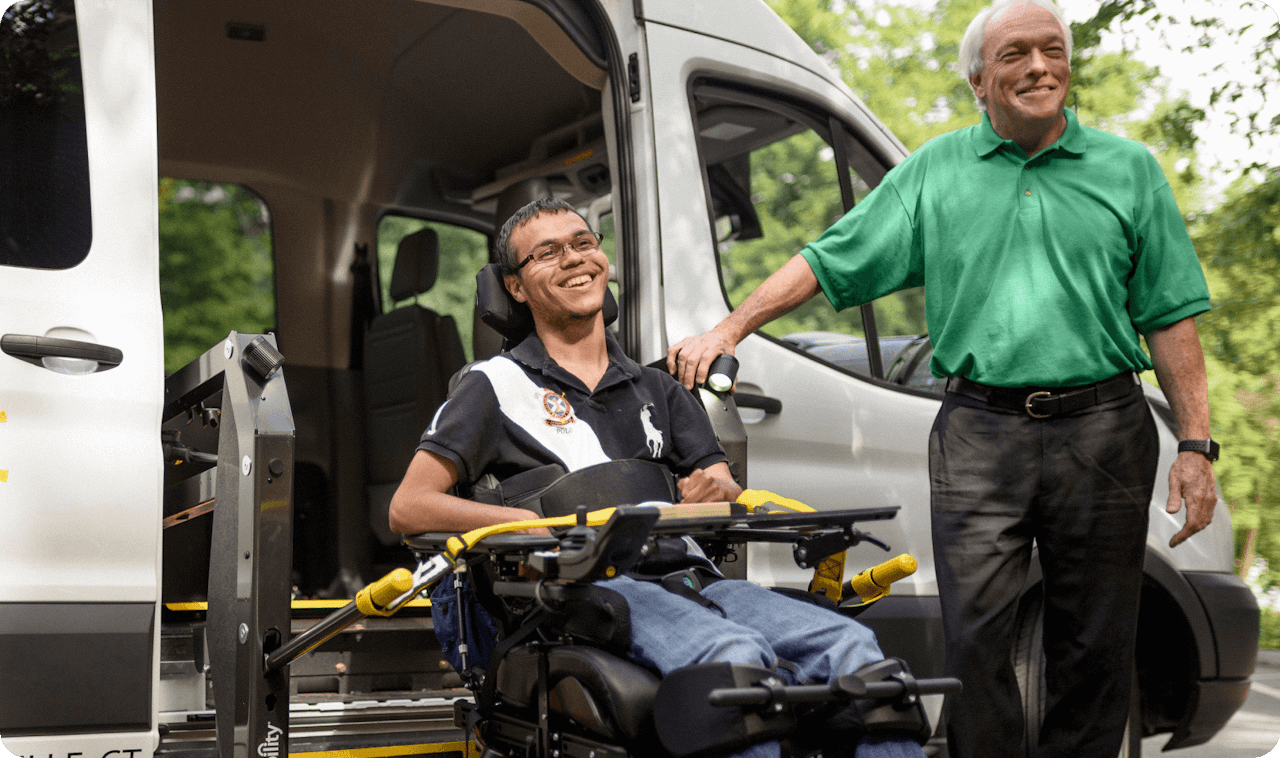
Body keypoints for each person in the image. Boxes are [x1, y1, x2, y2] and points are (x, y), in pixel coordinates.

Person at [667, 2, 1219, 757]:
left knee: (1094, 649)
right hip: (979, 435)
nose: (1038, 68)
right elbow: (832, 258)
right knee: (977, 646)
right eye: (1015, 55)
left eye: (1052, 51)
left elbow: (1171, 316)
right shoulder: (936, 170)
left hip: (1103, 429)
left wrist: (1195, 444)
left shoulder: (1130, 172)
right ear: (978, 82)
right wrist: (727, 329)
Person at [389, 197, 927, 758]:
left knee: (854, 650)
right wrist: (527, 524)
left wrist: (722, 489)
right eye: (547, 252)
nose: (574, 259)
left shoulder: (660, 389)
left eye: (583, 243)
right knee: (734, 662)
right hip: (582, 589)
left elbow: (719, 487)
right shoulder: (492, 385)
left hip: (695, 581)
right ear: (516, 287)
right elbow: (410, 508)